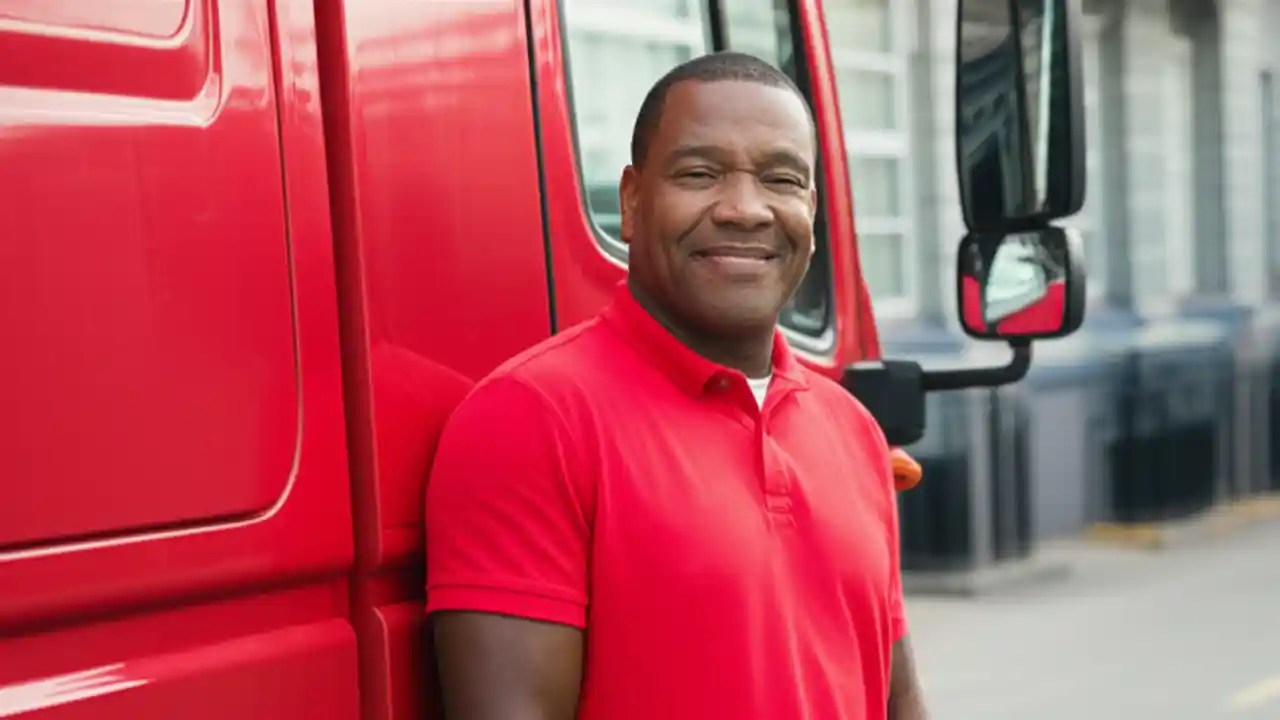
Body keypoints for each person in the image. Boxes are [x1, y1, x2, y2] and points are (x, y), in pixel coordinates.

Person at [424, 51, 929, 720]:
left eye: (781, 179)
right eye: (700, 173)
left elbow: (898, 701)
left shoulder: (853, 430)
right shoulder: (530, 418)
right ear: (633, 202)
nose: (746, 210)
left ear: (811, 207)